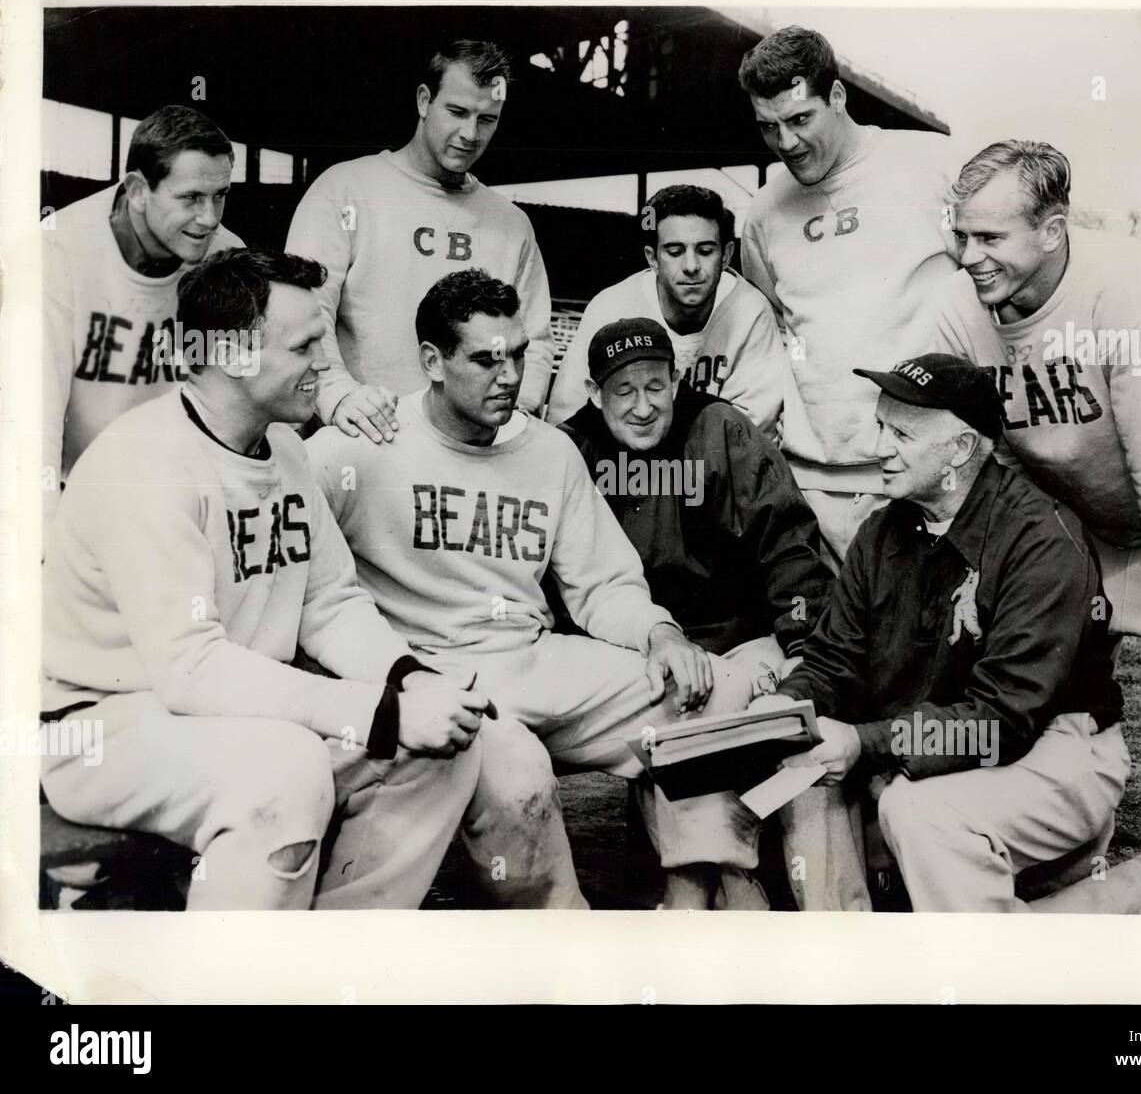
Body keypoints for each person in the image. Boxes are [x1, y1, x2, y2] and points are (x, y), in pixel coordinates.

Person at [40, 248, 514, 910]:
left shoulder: (286, 449)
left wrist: (412, 680)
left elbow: (329, 602)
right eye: (305, 346)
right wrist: (379, 713)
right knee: (285, 770)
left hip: (236, 712)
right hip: (102, 723)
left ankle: (336, 958)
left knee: (445, 749)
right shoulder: (145, 463)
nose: (325, 363)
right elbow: (190, 669)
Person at [306, 269, 763, 910]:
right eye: (486, 360)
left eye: (517, 355)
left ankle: (687, 903)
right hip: (435, 680)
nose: (510, 376)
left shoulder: (548, 451)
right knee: (521, 778)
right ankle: (560, 931)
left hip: (530, 657)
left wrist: (659, 632)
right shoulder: (359, 448)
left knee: (718, 689)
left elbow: (603, 583)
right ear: (432, 361)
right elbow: (299, 579)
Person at [756, 353, 1130, 912]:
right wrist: (784, 712)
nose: (879, 446)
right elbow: (833, 661)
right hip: (939, 736)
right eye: (881, 425)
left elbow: (999, 723)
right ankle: (842, 954)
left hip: (1056, 746)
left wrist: (865, 742)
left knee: (917, 812)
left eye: (901, 433)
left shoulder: (1041, 541)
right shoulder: (883, 530)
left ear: (959, 450)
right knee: (802, 766)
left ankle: (1117, 901)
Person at [558, 317, 868, 910]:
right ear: (595, 394)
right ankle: (726, 889)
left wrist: (805, 647)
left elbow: (788, 545)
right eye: (623, 390)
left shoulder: (721, 428)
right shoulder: (572, 450)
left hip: (745, 637)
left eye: (655, 386)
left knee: (793, 729)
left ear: (675, 382)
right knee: (679, 712)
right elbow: (566, 581)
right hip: (639, 651)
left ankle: (829, 918)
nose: (644, 406)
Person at [737, 25, 961, 561]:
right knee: (825, 640)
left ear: (836, 97)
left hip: (921, 476)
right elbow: (775, 321)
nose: (786, 143)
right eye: (769, 128)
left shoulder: (933, 166)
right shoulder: (765, 210)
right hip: (812, 483)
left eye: (800, 120)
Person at [927, 140, 1141, 638]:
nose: (969, 257)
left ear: (1051, 231)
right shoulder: (954, 307)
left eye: (990, 238)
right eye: (961, 236)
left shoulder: (1127, 286)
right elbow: (994, 466)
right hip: (1081, 528)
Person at [286, 38, 554, 443]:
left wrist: (516, 418)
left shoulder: (511, 223)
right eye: (457, 112)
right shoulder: (346, 190)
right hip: (364, 441)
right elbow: (303, 310)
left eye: (487, 119)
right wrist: (339, 397)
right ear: (424, 100)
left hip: (470, 455)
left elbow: (533, 340)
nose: (470, 134)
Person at [43, 104, 244, 534]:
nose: (209, 218)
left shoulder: (226, 255)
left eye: (221, 195)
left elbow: (243, 397)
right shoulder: (59, 250)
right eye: (190, 197)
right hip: (80, 498)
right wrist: (46, 547)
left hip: (189, 502)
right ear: (136, 190)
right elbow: (34, 419)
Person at [545, 184, 786, 435]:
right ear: (653, 259)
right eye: (674, 252)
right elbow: (566, 420)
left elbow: (744, 436)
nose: (691, 266)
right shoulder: (611, 307)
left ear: (726, 256)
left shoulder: (750, 311)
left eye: (705, 251)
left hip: (711, 470)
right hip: (620, 466)